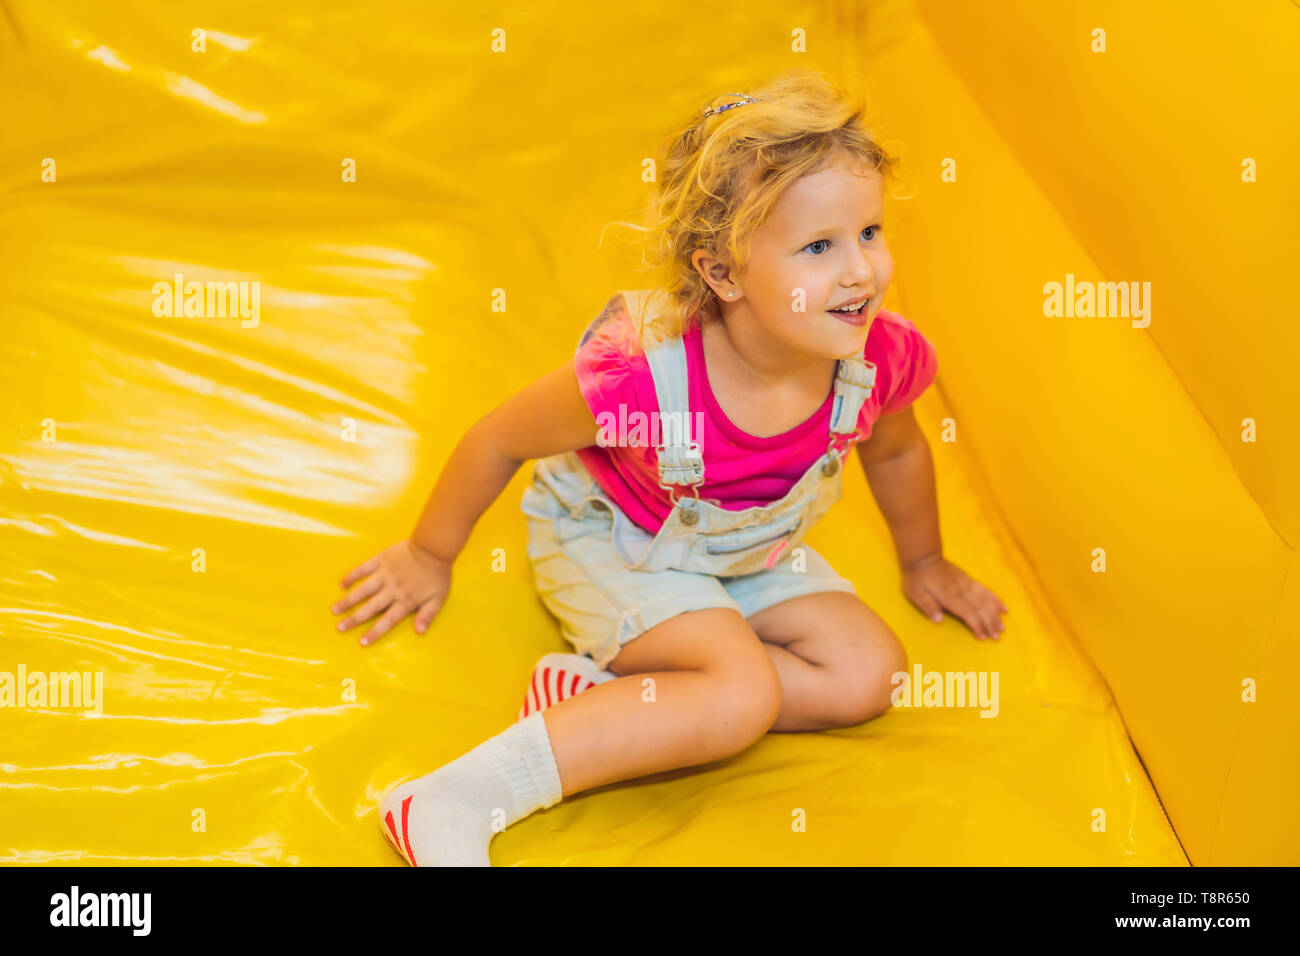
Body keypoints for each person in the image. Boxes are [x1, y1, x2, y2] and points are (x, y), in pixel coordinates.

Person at [330, 70, 1008, 866]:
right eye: (819, 247)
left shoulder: (878, 354)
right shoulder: (641, 374)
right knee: (740, 696)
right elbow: (499, 439)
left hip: (748, 555)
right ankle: (454, 798)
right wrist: (427, 554)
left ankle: (620, 705)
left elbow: (895, 450)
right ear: (722, 274)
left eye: (869, 232)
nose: (860, 271)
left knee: (870, 674)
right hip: (613, 543)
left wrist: (922, 557)